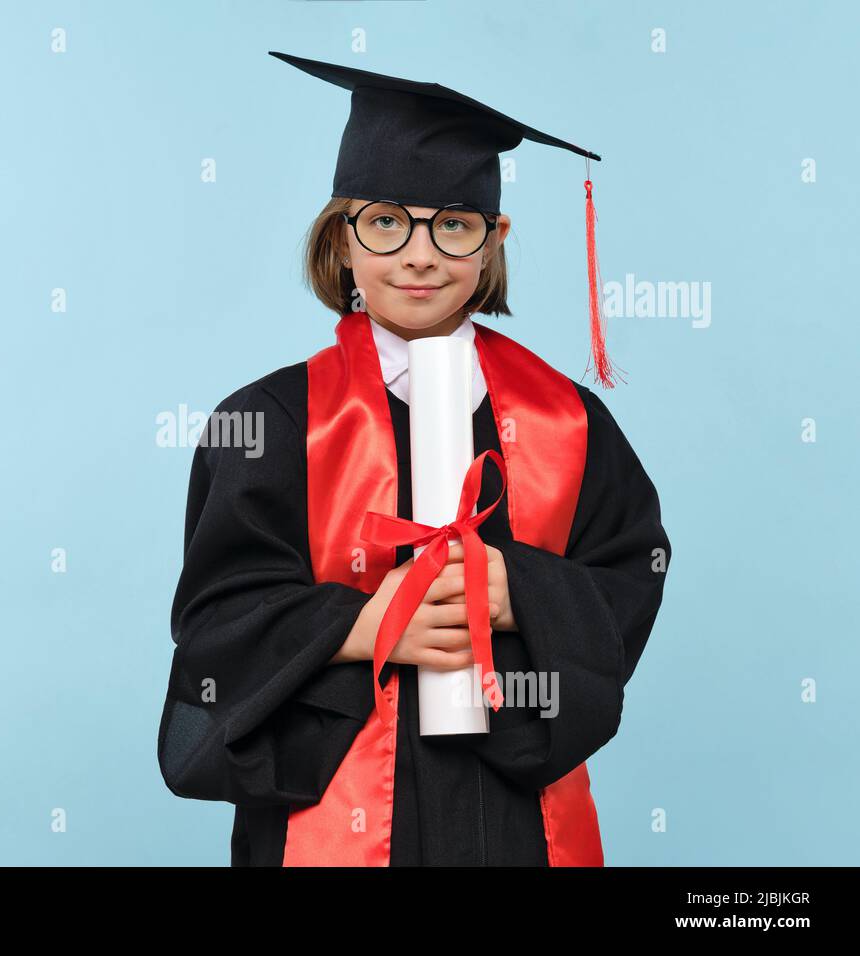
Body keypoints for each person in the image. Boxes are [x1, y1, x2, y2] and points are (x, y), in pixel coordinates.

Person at [156, 51, 672, 866]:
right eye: (386, 222)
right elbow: (217, 629)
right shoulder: (271, 422)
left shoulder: (568, 421)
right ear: (342, 237)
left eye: (454, 224)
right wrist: (365, 625)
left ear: (493, 241)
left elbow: (630, 579)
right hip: (337, 812)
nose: (421, 254)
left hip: (513, 824)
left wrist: (519, 593)